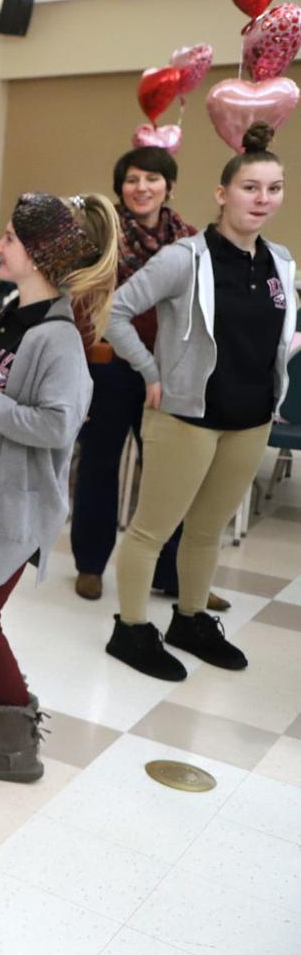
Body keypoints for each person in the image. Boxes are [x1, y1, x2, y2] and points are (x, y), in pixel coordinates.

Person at [0, 192, 117, 782]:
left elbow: (57, 426)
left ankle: (13, 740)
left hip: (13, 500)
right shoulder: (11, 311)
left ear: (38, 255)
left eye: (9, 238)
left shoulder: (57, 337)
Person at [105, 123, 294, 681]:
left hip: (252, 416)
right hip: (187, 416)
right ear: (222, 194)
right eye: (251, 188)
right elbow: (114, 312)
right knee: (151, 529)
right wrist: (149, 369)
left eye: (274, 188)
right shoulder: (183, 258)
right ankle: (132, 627)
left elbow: (270, 334)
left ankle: (189, 619)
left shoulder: (279, 262)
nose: (263, 200)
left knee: (207, 529)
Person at [69, 147, 232, 613]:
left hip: (169, 369)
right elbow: (83, 298)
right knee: (99, 462)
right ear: (121, 187)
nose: (142, 187)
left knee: (169, 474)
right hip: (109, 363)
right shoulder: (101, 235)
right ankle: (90, 564)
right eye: (133, 179)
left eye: (152, 179)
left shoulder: (191, 241)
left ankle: (173, 574)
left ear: (169, 186)